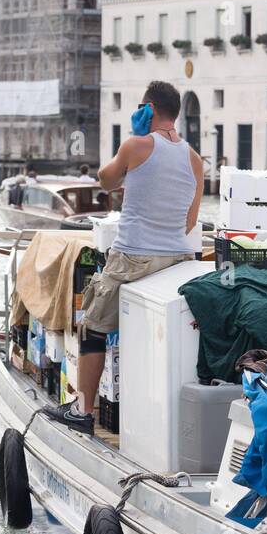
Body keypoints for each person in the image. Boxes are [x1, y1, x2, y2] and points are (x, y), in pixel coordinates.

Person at [44, 81, 203, 435]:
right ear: (176, 113)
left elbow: (105, 181)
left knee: (93, 328)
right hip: (175, 262)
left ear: (147, 108)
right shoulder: (193, 158)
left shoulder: (137, 145)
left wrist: (134, 137)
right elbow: (190, 219)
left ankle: (83, 410)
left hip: (132, 258)